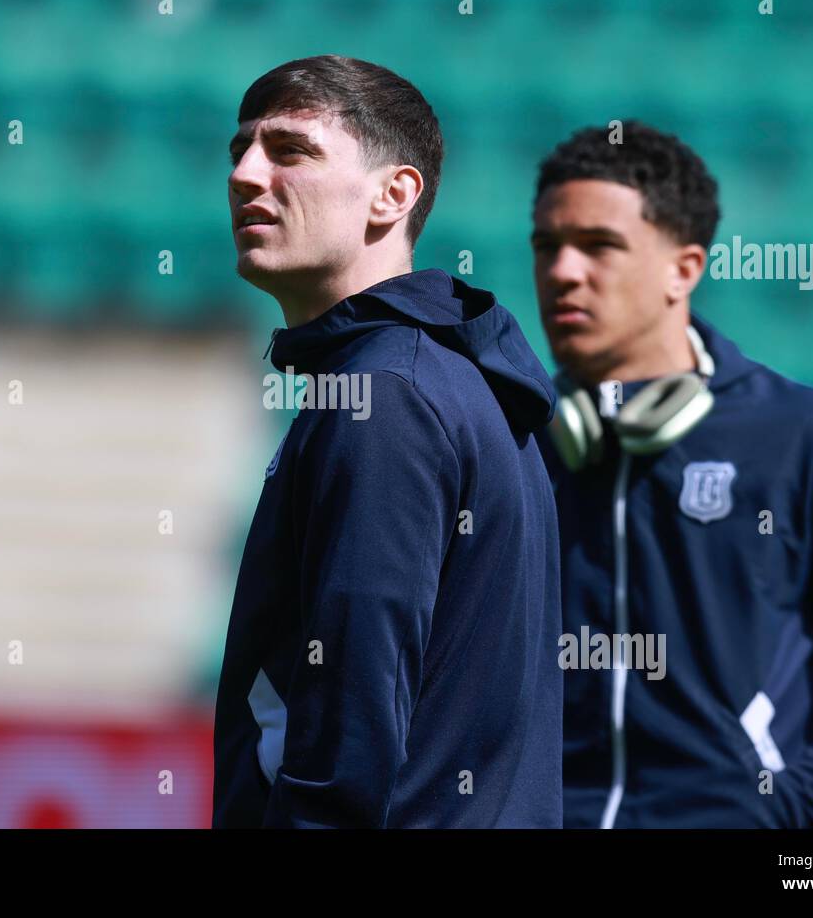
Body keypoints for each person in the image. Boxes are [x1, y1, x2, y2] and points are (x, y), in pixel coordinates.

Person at [531, 120, 813, 828]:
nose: (563, 272)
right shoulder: (516, 445)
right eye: (547, 247)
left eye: (599, 245)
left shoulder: (809, 439)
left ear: (685, 267)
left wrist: (776, 812)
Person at [212, 55, 562, 827]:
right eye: (239, 150)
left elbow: (352, 725)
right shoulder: (445, 382)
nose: (243, 174)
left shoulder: (386, 398)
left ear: (392, 194)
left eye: (289, 150)